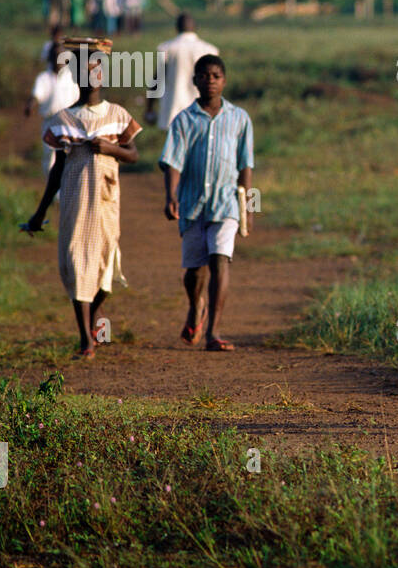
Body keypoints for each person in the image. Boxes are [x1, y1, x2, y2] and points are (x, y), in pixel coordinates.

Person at [23, 37, 141, 359]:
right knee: (77, 263)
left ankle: (92, 319)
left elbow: (133, 154)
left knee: (104, 269)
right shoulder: (63, 121)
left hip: (105, 203)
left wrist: (112, 149)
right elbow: (57, 170)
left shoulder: (116, 114)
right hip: (74, 203)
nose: (91, 75)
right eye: (83, 70)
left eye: (95, 68)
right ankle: (85, 339)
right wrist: (39, 212)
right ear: (75, 76)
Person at [159, 54, 254, 352]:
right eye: (204, 75)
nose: (210, 80)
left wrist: (246, 205)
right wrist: (171, 195)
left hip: (226, 203)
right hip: (192, 204)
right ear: (195, 80)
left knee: (219, 260)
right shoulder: (184, 120)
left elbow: (245, 165)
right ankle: (194, 307)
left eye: (216, 75)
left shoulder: (240, 118)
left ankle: (214, 331)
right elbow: (173, 161)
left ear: (224, 81)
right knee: (194, 270)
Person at [149, 14, 219, 129]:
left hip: (173, 108)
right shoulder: (209, 50)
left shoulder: (167, 48)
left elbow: (157, 80)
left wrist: (150, 108)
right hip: (202, 109)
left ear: (177, 28)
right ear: (196, 28)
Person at [24, 39, 80, 174]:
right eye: (54, 55)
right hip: (51, 121)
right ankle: (53, 190)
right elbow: (36, 95)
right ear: (50, 58)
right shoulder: (44, 78)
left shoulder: (70, 77)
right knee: (50, 155)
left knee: (69, 155)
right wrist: (30, 105)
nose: (57, 59)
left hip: (69, 121)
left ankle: (63, 190)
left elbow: (78, 98)